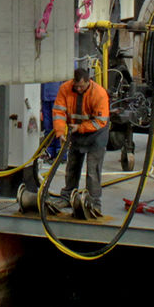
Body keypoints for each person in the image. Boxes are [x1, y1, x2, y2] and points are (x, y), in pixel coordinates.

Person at [53, 67, 110, 216]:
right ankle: (67, 196)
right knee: (72, 165)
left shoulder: (99, 94)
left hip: (96, 134)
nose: (78, 89)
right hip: (75, 131)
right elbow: (59, 112)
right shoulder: (65, 89)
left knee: (93, 170)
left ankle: (94, 203)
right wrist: (60, 132)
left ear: (88, 82)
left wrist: (81, 127)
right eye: (76, 86)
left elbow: (100, 121)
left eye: (81, 86)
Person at [40, 80, 63, 161]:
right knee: (48, 125)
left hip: (58, 97)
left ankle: (59, 151)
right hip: (45, 97)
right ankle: (49, 151)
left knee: (58, 124)